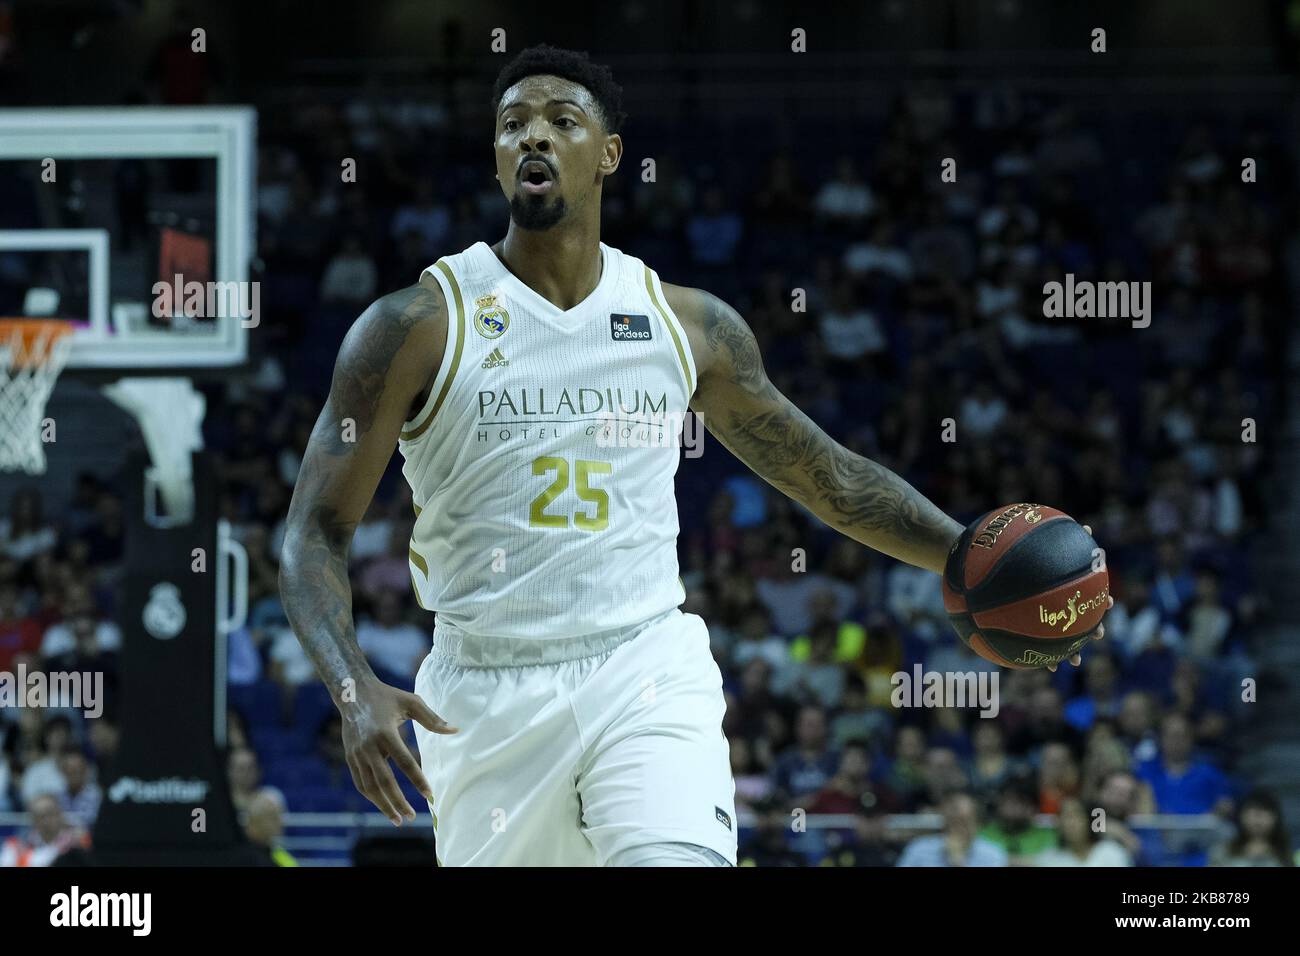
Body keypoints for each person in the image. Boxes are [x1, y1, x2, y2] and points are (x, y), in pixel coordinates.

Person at [279, 44, 1109, 867]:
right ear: (496, 159)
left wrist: (965, 554)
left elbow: (827, 478)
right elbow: (313, 530)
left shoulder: (688, 327)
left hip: (644, 668)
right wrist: (351, 686)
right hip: (485, 693)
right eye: (513, 125)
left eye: (561, 121)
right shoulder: (413, 326)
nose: (533, 136)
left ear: (607, 156)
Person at [897, 791, 1008, 867]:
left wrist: (958, 862)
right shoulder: (919, 848)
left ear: (978, 823)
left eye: (963, 822)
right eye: (953, 821)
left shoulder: (992, 854)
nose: (957, 829)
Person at [1034, 796, 1133, 866]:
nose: (1070, 823)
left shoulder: (1112, 852)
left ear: (1089, 821)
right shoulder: (1048, 860)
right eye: (1065, 817)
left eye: (1077, 816)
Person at [1209, 790, 1293, 866]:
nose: (1258, 817)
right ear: (1241, 815)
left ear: (1275, 817)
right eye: (1252, 810)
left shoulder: (1284, 855)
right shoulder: (1223, 852)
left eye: (1264, 810)